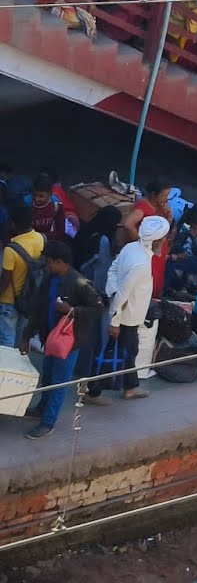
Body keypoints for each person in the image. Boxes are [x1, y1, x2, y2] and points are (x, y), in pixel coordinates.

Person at [19, 240, 103, 438]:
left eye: (50, 262)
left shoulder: (79, 283)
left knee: (58, 381)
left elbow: (98, 308)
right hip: (50, 338)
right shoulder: (49, 279)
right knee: (47, 376)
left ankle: (48, 422)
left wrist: (72, 311)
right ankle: (42, 408)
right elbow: (38, 308)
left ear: (60, 262)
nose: (47, 266)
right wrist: (27, 335)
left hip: (68, 342)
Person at [87, 215, 169, 404]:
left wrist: (112, 292)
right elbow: (124, 293)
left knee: (128, 353)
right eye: (163, 238)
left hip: (128, 316)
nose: (164, 242)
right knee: (112, 354)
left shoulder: (131, 249)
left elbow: (113, 271)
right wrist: (115, 320)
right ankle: (93, 391)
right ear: (156, 240)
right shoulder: (140, 263)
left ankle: (129, 387)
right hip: (125, 318)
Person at [1, 205, 46, 348]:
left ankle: (5, 369)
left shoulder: (11, 249)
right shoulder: (41, 238)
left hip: (9, 300)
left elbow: (6, 280)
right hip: (30, 298)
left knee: (6, 339)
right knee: (21, 337)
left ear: (13, 224)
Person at [123, 180, 172, 298]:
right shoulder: (143, 207)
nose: (166, 199)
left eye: (167, 195)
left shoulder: (162, 207)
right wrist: (142, 243)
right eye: (163, 195)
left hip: (158, 251)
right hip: (148, 253)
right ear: (153, 195)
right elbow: (128, 224)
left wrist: (169, 218)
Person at [28, 174, 66, 241]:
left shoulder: (57, 207)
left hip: (48, 243)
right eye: (34, 195)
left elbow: (60, 232)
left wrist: (40, 236)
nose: (36, 199)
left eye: (41, 196)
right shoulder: (27, 206)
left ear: (50, 194)